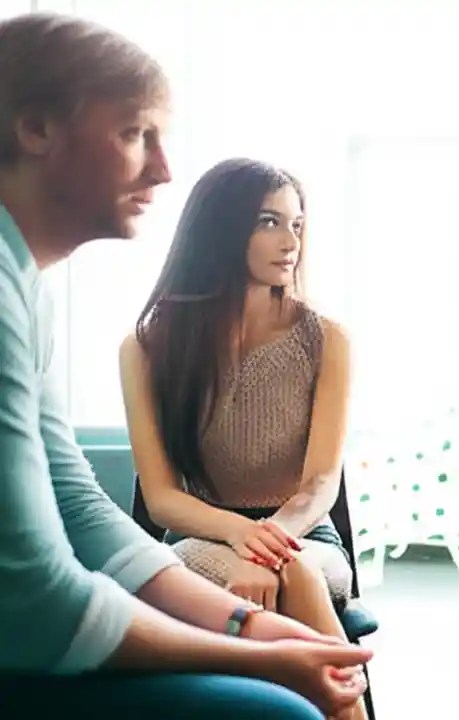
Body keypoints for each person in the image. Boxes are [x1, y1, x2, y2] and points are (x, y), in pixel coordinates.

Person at [0, 13, 370, 719]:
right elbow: (37, 603)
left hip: (287, 542)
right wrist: (258, 653)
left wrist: (252, 627)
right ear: (36, 129)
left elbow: (79, 508)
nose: (164, 168)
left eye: (296, 222)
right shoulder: (101, 329)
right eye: (136, 133)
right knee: (282, 709)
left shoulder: (26, 290)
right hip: (47, 632)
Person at [119, 157, 367, 720]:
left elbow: (320, 484)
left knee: (296, 571)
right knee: (214, 571)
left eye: (297, 224)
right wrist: (244, 538)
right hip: (201, 535)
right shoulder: (146, 348)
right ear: (221, 229)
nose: (290, 242)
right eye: (268, 222)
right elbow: (161, 500)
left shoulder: (327, 339)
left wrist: (269, 543)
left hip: (305, 537)